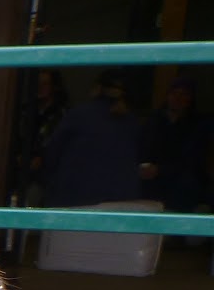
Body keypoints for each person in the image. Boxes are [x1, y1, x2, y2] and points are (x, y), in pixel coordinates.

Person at [41, 70, 143, 207]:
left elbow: (52, 155)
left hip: (75, 201)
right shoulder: (132, 122)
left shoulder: (78, 115)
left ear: (97, 88)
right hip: (120, 206)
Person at [140, 76, 210, 218]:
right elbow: (144, 148)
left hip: (180, 188)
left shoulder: (197, 126)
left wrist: (161, 170)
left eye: (184, 94)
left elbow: (193, 160)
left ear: (190, 99)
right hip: (152, 186)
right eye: (174, 93)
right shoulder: (154, 120)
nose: (178, 98)